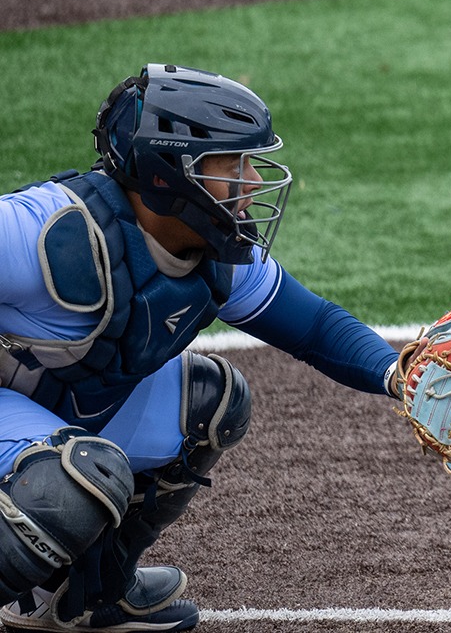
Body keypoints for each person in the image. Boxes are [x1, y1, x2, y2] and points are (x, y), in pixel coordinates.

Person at [0, 65, 404, 632]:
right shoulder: (46, 233)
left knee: (211, 401)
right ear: (169, 171)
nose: (252, 181)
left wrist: (400, 374)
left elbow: (314, 328)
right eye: (231, 163)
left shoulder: (214, 254)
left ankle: (86, 598)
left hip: (48, 409)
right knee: (76, 478)